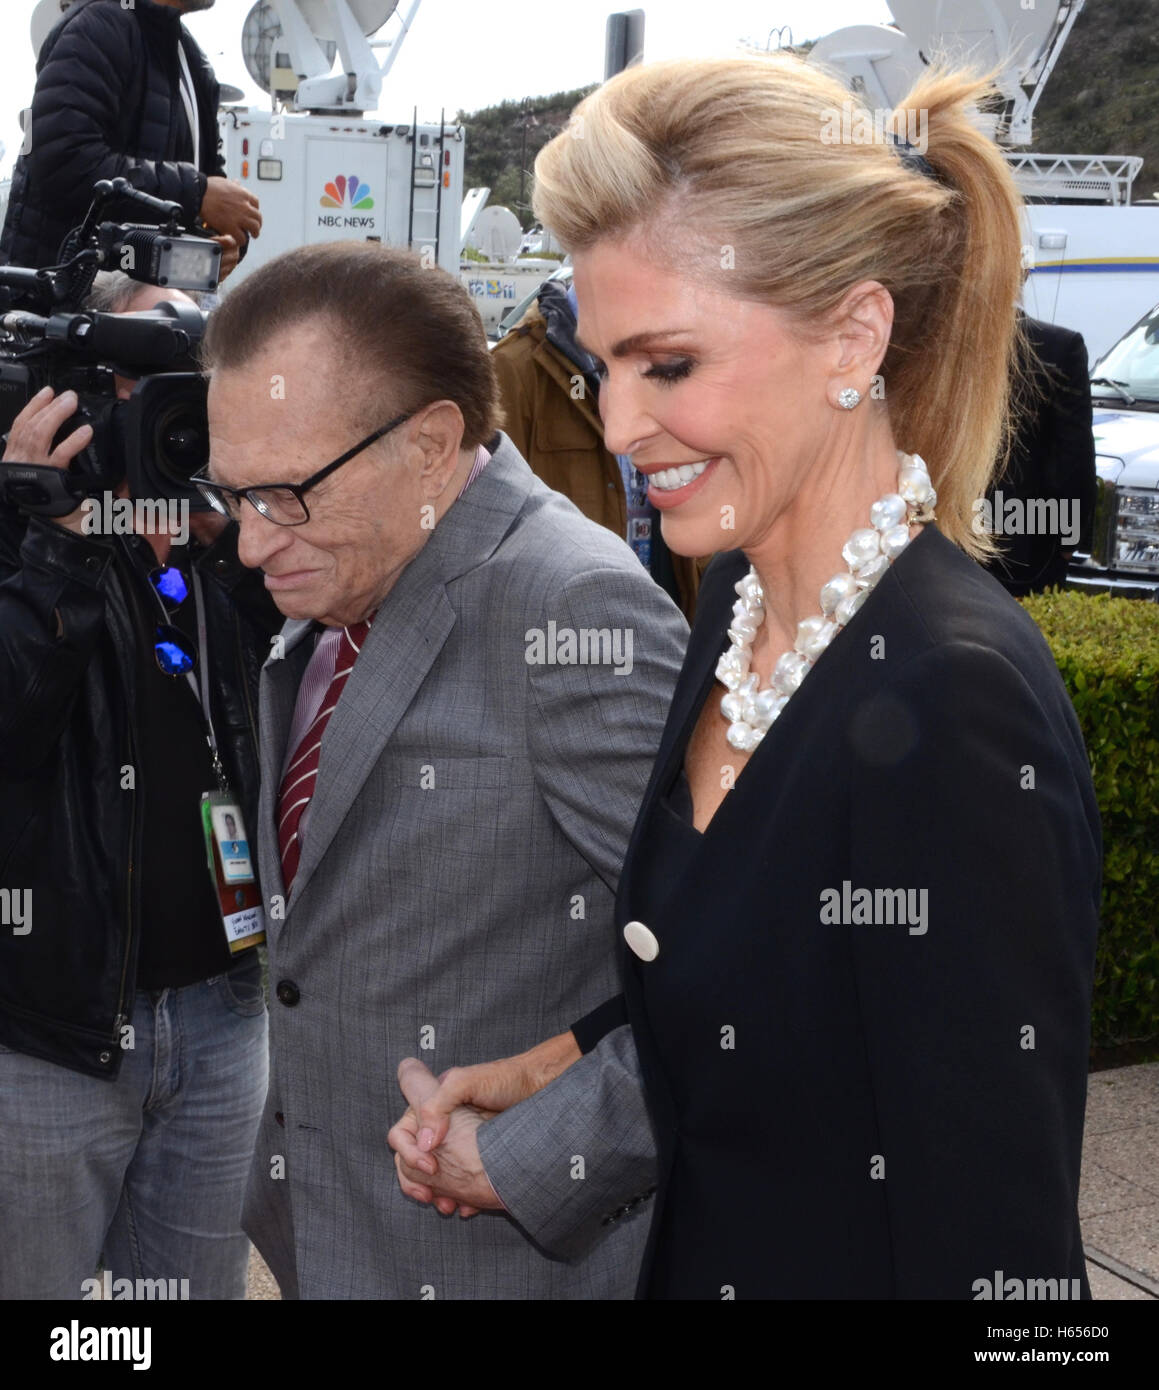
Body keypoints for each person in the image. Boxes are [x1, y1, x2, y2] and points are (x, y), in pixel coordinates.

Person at [389, 55, 1102, 1300]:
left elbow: (1001, 1258)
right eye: (604, 362)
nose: (615, 429)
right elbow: (763, 985)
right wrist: (546, 1068)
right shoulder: (740, 602)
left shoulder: (951, 701)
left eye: (667, 365)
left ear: (853, 333)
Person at [196, 239, 688, 1299]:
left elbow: (739, 976)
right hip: (332, 1242)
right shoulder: (343, 581)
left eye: (283, 491)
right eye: (230, 493)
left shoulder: (571, 611)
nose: (246, 542)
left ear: (430, 444)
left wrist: (528, 1161)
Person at [0, 271, 280, 1300]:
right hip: (51, 1030)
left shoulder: (223, 533)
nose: (168, 411)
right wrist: (50, 538)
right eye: (136, 378)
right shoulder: (24, 528)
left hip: (221, 1013)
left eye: (190, 379)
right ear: (70, 385)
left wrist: (242, 549)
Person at [492, 272, 703, 619]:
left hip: (671, 623)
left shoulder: (686, 345)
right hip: (570, 637)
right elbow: (488, 530)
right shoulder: (513, 370)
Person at [1, 0, 260, 282]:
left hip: (143, 312)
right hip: (68, 310)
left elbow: (209, 191)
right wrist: (195, 195)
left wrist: (218, 245)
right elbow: (63, 161)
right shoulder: (99, 27)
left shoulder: (190, 58)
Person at [981, 312, 1098, 595]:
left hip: (939, 535)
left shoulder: (930, 338)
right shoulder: (1057, 346)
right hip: (1027, 543)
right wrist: (1069, 541)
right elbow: (1073, 457)